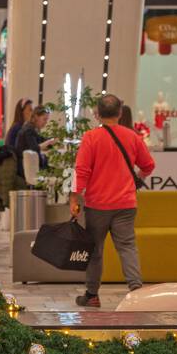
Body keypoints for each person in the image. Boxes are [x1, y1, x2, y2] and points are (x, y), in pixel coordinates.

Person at [69, 93, 155, 308]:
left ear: (98, 113)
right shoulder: (132, 137)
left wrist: (74, 197)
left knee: (95, 250)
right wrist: (137, 179)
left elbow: (81, 170)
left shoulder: (91, 137)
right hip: (126, 204)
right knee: (127, 247)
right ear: (120, 112)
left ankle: (92, 295)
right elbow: (148, 165)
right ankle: (136, 291)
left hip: (97, 205)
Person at [0, 143, 27, 222]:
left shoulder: (2, 158)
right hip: (13, 193)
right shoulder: (9, 158)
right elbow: (7, 180)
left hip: (2, 190)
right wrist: (6, 202)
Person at [15, 104, 51, 170]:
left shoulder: (31, 128)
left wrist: (53, 141)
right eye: (44, 119)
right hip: (25, 168)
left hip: (28, 165)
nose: (46, 122)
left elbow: (42, 140)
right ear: (36, 117)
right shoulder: (28, 130)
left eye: (47, 120)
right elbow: (34, 149)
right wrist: (49, 142)